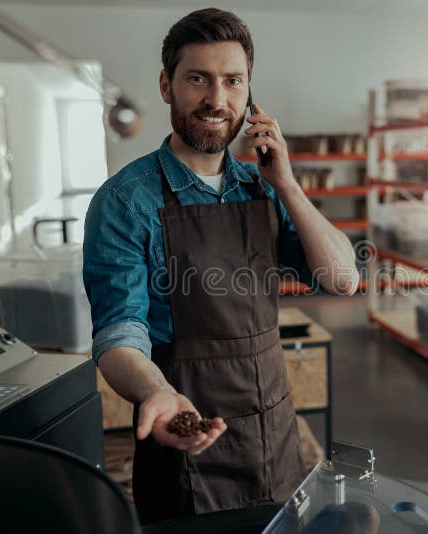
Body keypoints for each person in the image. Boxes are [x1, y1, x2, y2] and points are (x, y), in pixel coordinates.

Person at [82, 7, 359, 524]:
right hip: (185, 449)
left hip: (274, 443)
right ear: (166, 85)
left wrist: (288, 185)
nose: (216, 99)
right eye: (198, 80)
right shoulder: (124, 201)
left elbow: (344, 279)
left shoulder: (262, 188)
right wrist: (157, 394)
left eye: (233, 81)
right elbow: (119, 332)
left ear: (250, 94)